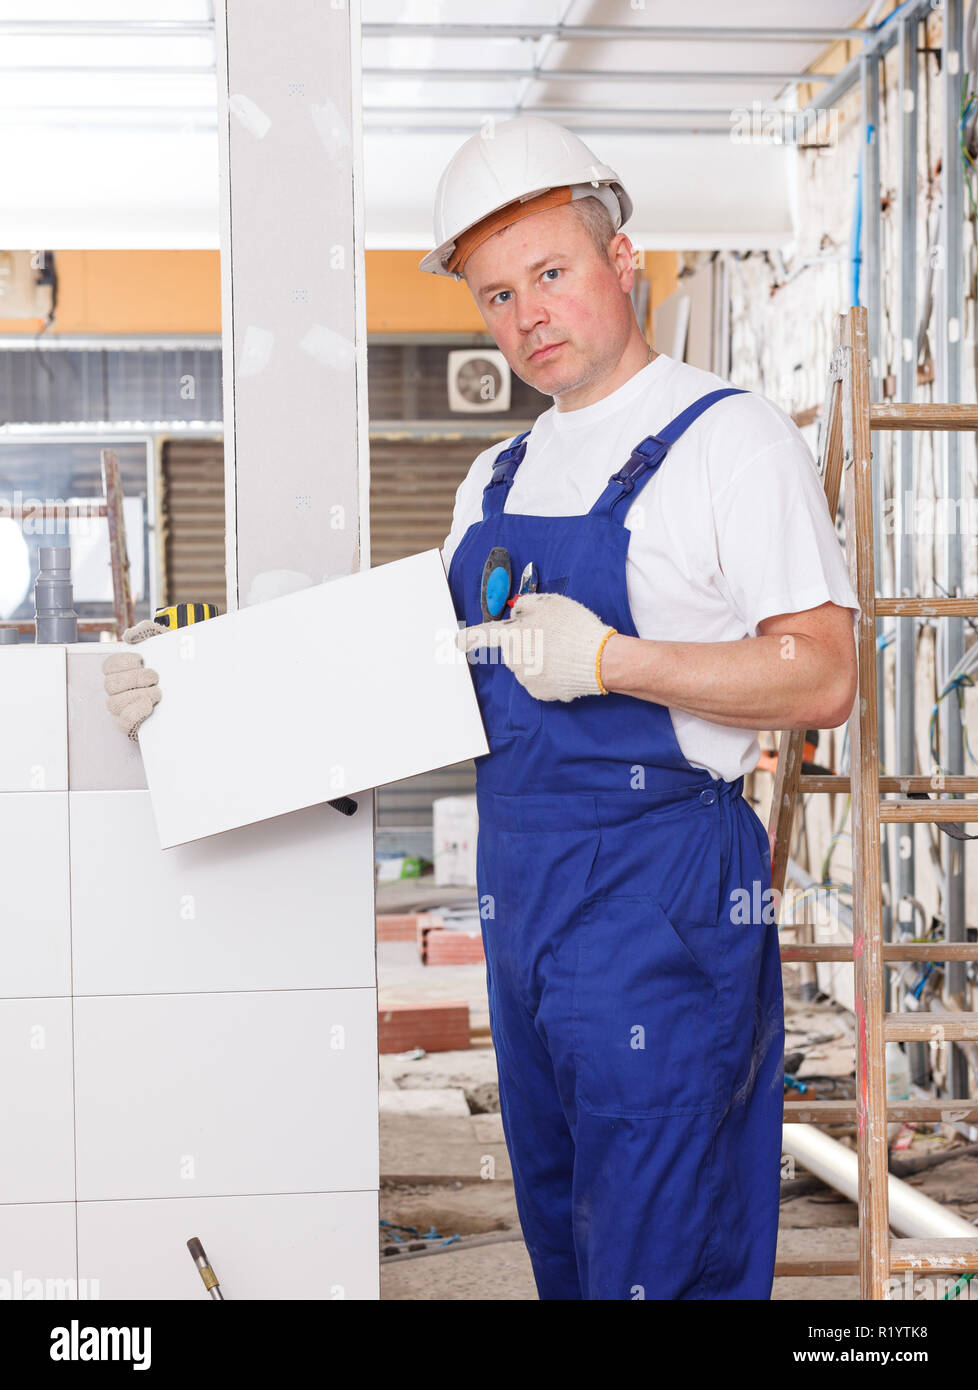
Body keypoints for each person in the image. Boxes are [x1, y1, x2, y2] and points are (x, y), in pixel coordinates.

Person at [423, 116, 859, 1300]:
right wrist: (210, 704)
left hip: (659, 896)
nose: (527, 317)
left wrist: (615, 659)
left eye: (551, 273)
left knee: (665, 1242)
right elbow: (424, 681)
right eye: (497, 296)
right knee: (566, 1230)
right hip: (526, 896)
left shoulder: (730, 442)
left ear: (625, 264)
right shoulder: (493, 478)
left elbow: (822, 674)